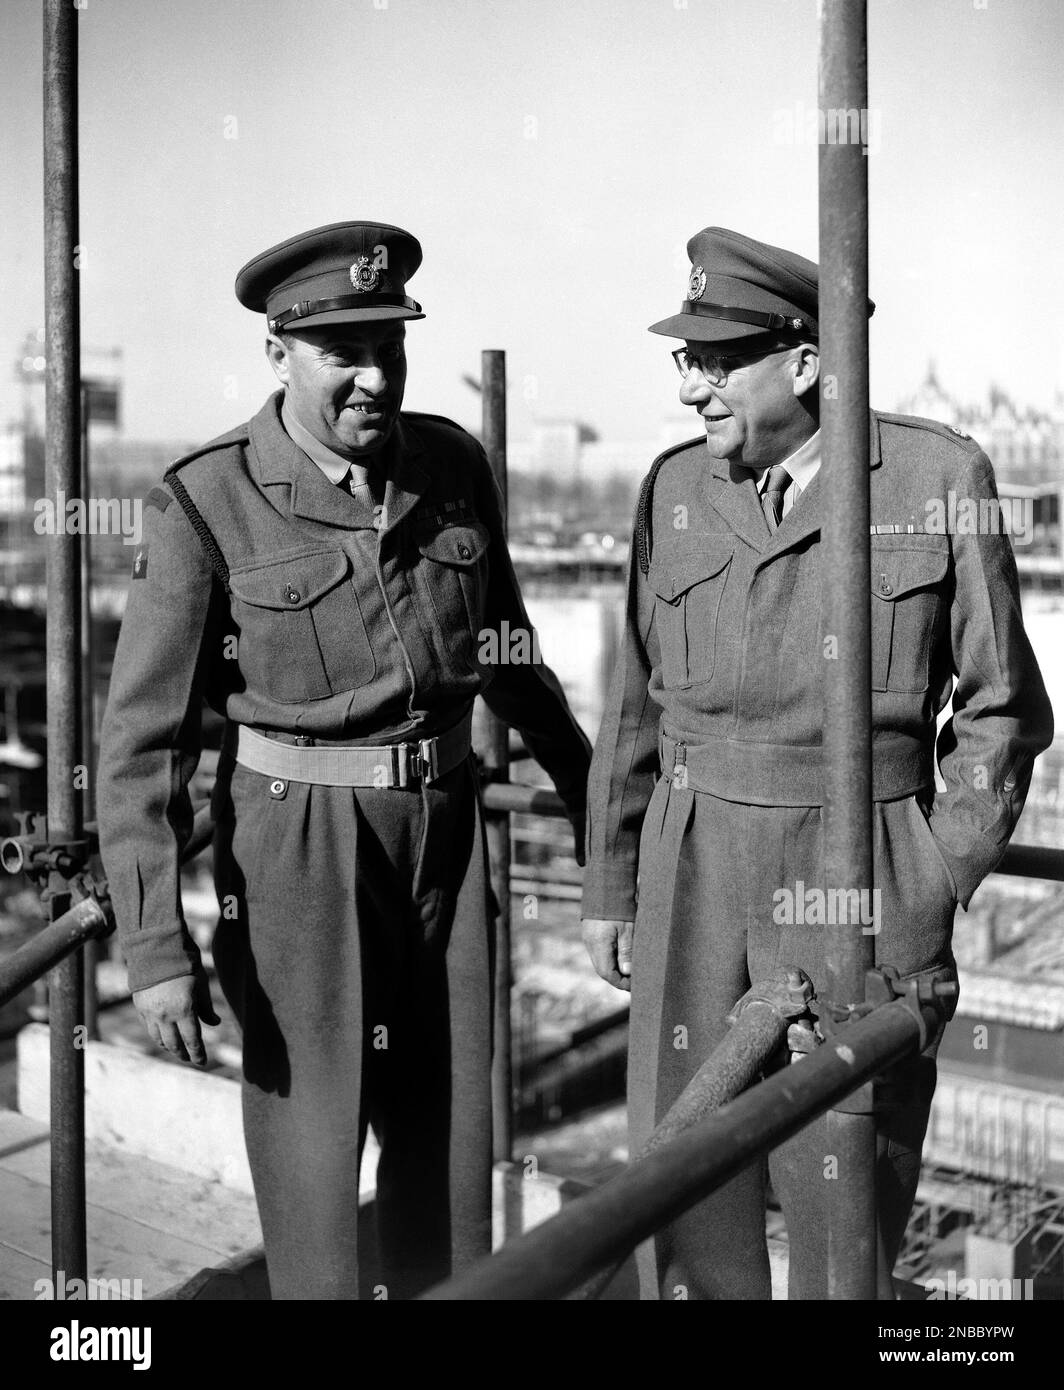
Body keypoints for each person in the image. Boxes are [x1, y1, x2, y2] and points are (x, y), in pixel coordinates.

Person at [97, 220, 592, 1300]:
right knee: (316, 1157)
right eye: (342, 353)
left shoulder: (450, 464)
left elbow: (506, 648)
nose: (375, 379)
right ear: (278, 352)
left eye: (391, 348)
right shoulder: (203, 500)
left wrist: (595, 800)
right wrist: (153, 946)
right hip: (298, 857)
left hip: (448, 844)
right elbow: (141, 743)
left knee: (453, 1133)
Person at [580, 226, 1054, 1300]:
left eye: (719, 358)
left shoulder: (935, 475)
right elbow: (631, 714)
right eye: (685, 360)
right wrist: (611, 884)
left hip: (857, 866)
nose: (695, 385)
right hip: (691, 868)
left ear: (805, 362)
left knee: (848, 1206)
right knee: (687, 1193)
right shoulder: (669, 491)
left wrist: (930, 874)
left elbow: (1001, 711)